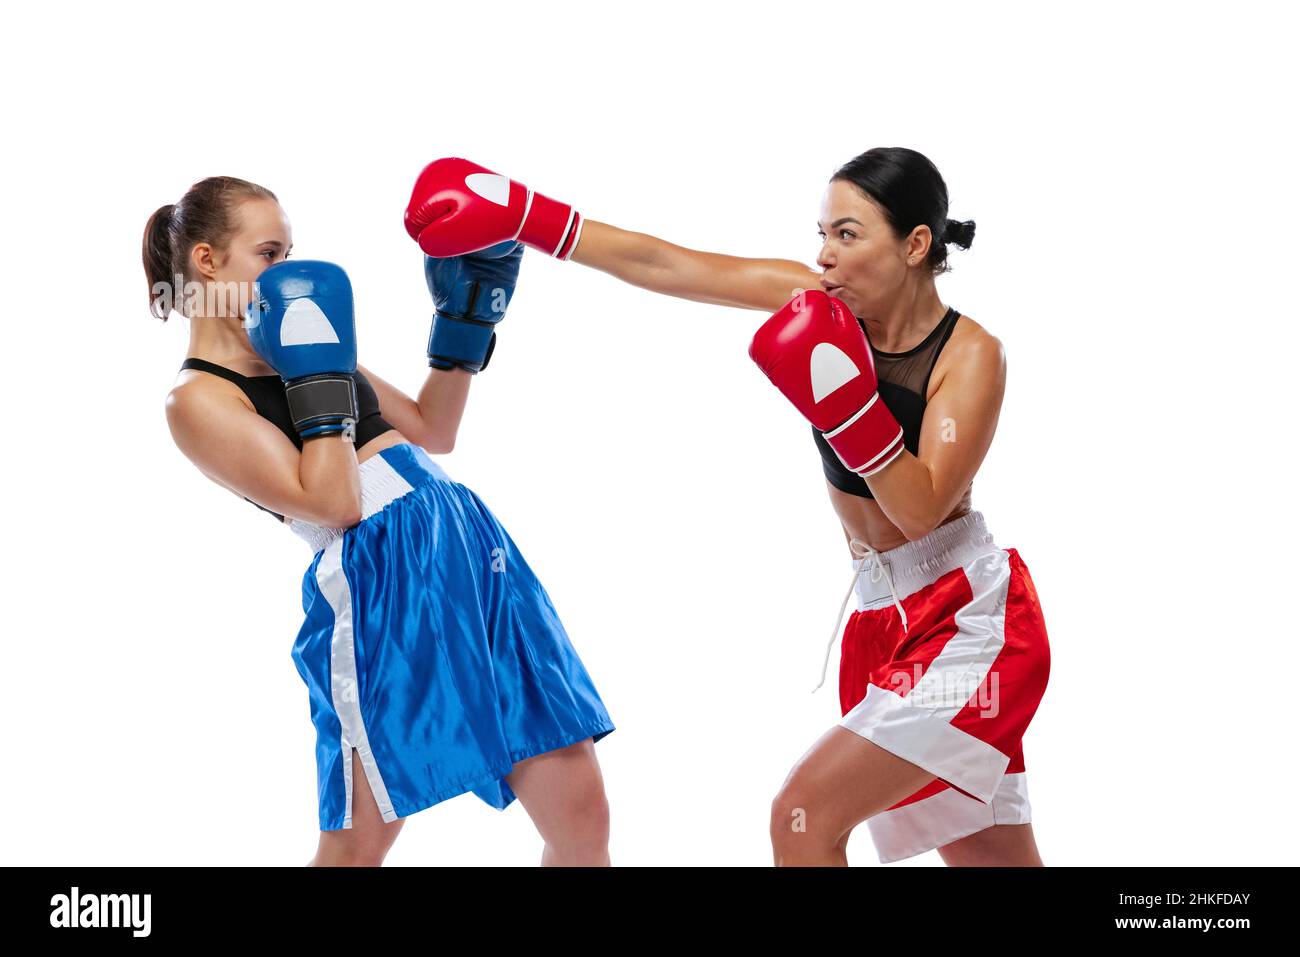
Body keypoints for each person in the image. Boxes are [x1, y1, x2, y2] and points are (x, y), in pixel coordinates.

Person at [404, 148, 1051, 866]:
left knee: (802, 817)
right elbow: (666, 264)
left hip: (968, 624)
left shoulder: (971, 355)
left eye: (847, 234)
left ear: (915, 245)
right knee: (992, 859)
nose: (825, 255)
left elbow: (923, 512)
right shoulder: (821, 304)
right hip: (881, 621)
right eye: (822, 234)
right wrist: (533, 216)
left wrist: (850, 412)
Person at [143, 176, 615, 866]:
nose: (290, 270)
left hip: (465, 541)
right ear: (209, 262)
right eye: (269, 253)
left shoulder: (301, 337)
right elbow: (336, 502)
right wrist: (317, 374)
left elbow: (433, 428)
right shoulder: (197, 399)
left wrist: (465, 319)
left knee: (580, 815)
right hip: (380, 579)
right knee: (356, 847)